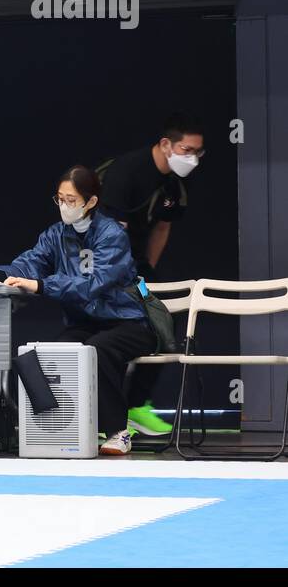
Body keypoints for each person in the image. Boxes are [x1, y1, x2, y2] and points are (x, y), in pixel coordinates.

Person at [0, 165, 153, 456]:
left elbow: (92, 284)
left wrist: (41, 285)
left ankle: (119, 432)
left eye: (71, 200)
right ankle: (55, 427)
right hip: (87, 323)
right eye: (60, 199)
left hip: (128, 323)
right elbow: (30, 262)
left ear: (90, 202)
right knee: (40, 356)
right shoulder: (55, 234)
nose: (64, 206)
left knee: (96, 350)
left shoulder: (111, 235)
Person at [97, 113, 204, 438]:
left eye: (199, 152)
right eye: (187, 150)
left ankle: (136, 406)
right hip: (102, 263)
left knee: (167, 320)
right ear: (165, 145)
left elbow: (162, 227)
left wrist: (148, 272)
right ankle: (107, 416)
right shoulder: (125, 173)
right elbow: (105, 233)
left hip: (137, 263)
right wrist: (120, 274)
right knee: (107, 338)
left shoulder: (175, 183)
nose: (193, 158)